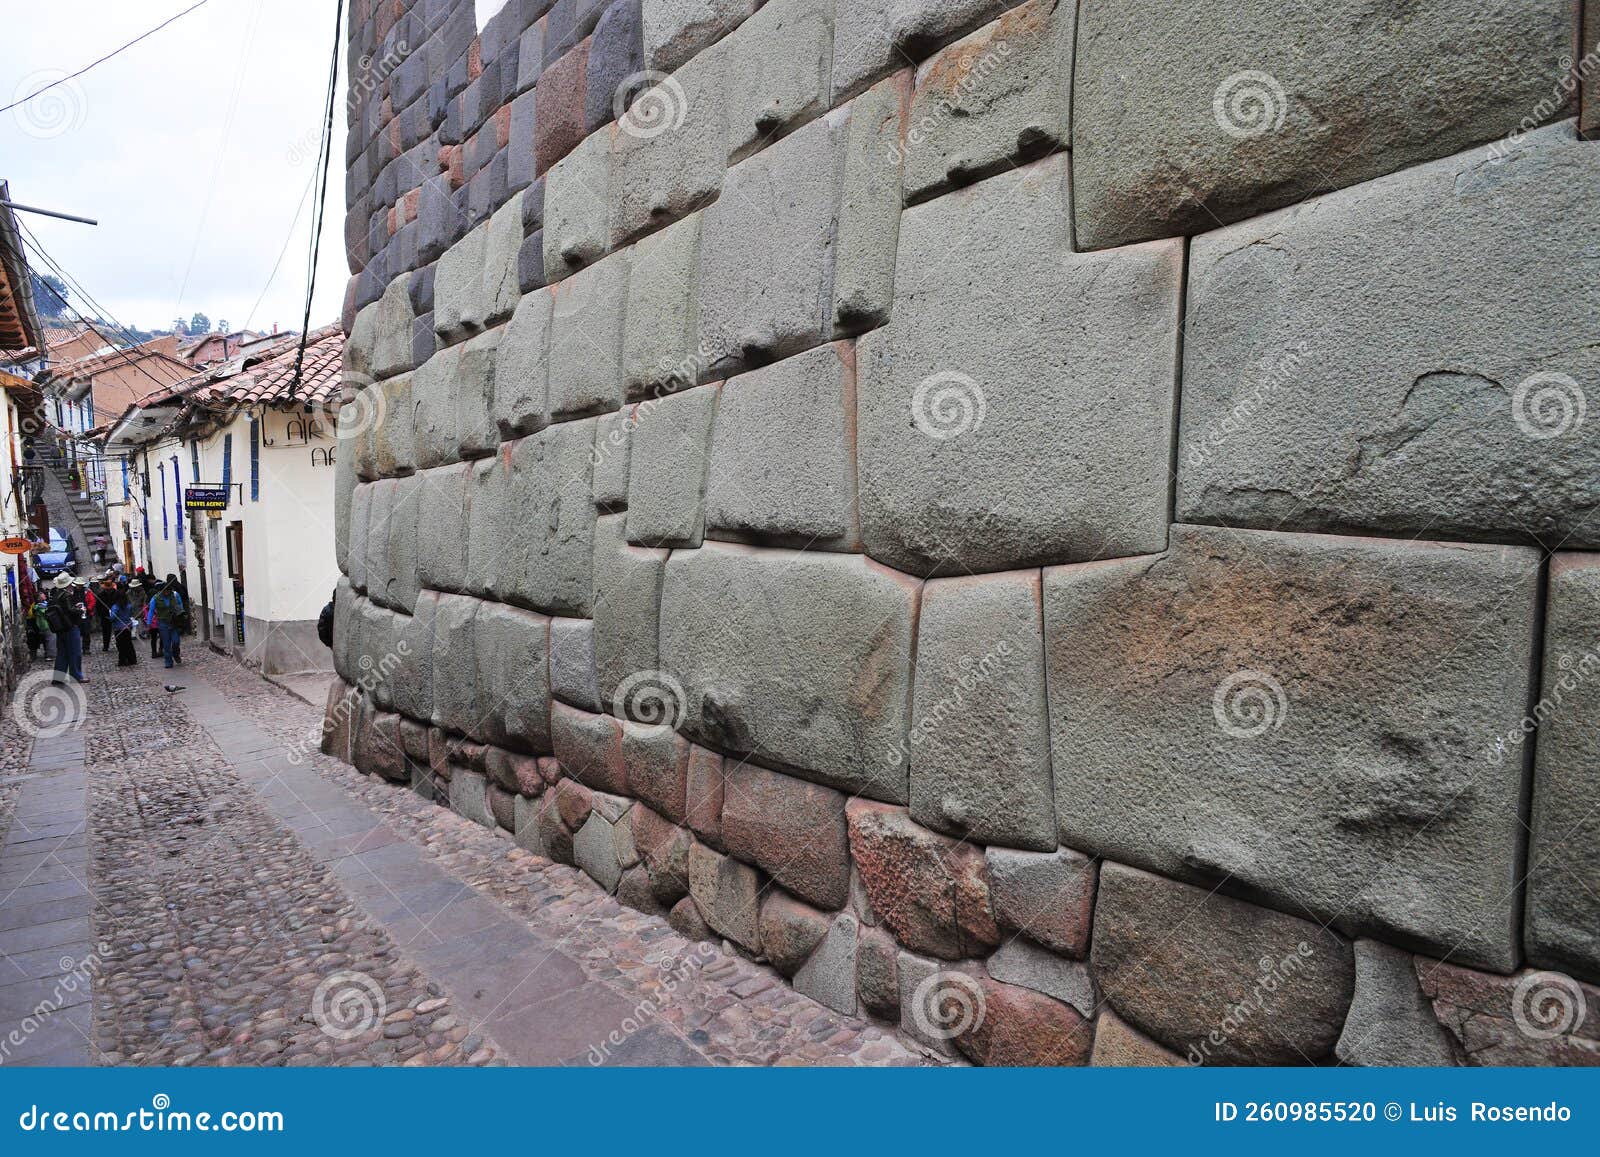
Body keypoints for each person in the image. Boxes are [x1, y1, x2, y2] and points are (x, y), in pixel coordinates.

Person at [47, 575, 87, 684]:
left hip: (60, 628)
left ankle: (58, 678)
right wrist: (80, 609)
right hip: (70, 626)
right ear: (68, 584)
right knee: (75, 652)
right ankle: (76, 676)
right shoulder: (66, 595)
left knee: (62, 654)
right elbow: (70, 610)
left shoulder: (55, 595)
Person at [152, 574, 187, 668]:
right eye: (166, 591)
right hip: (163, 623)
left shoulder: (175, 595)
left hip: (174, 622)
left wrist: (181, 615)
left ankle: (176, 654)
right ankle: (168, 661)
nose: (167, 592)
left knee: (176, 641)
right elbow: (151, 610)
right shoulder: (156, 598)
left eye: (169, 590)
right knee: (166, 644)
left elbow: (180, 605)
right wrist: (149, 623)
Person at [109, 596, 138, 667]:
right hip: (127, 627)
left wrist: (109, 619)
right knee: (129, 644)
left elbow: (113, 617)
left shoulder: (115, 607)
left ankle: (122, 660)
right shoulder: (129, 606)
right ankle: (132, 659)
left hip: (118, 628)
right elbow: (131, 615)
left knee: (120, 645)